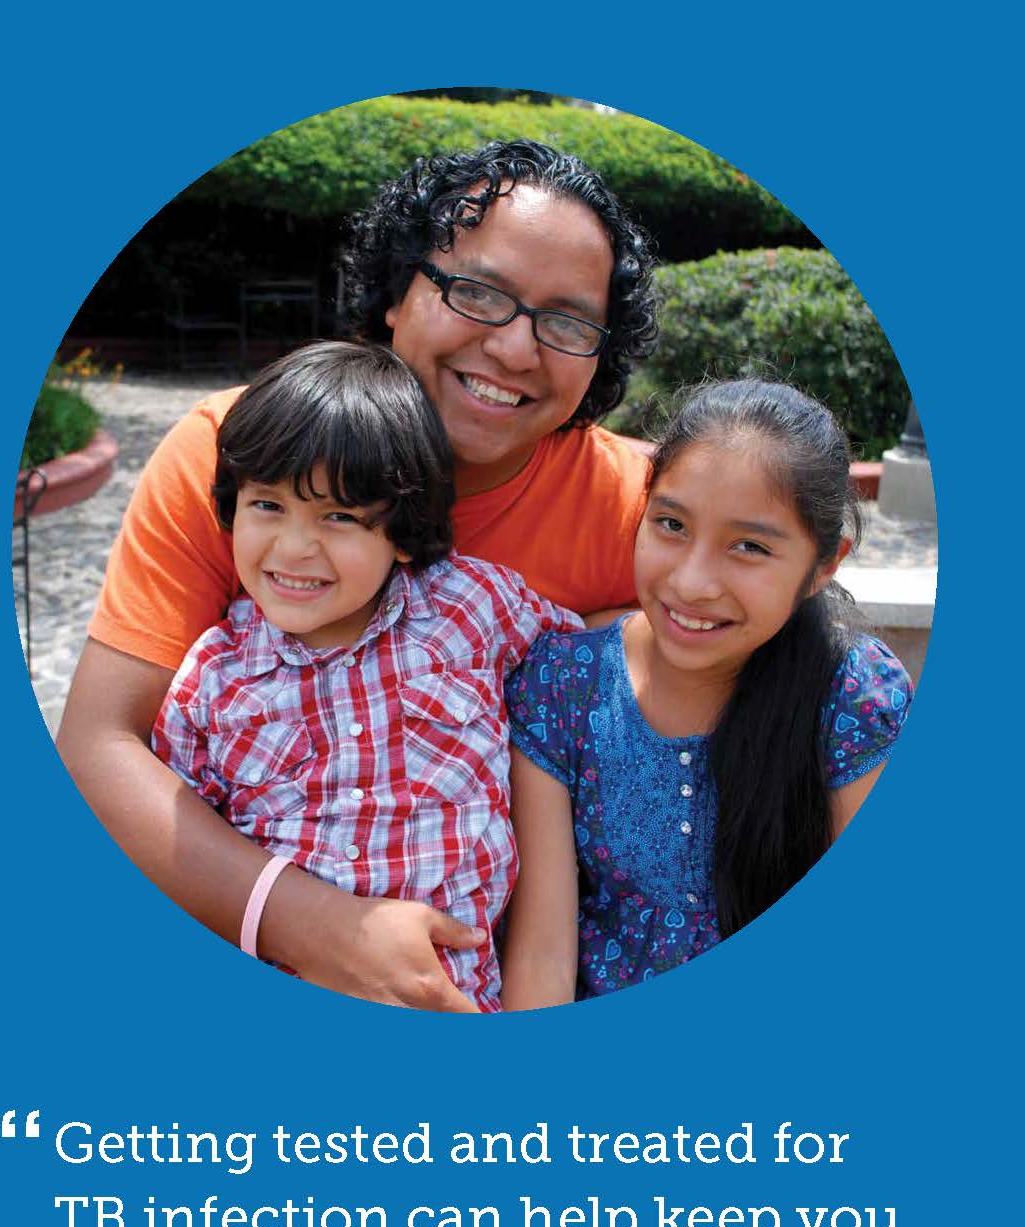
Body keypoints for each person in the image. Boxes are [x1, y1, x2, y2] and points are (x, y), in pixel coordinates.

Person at [57, 138, 658, 1009]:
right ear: (395, 294)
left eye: (567, 321)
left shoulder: (646, 510)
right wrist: (321, 929)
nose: (517, 349)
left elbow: (778, 608)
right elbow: (100, 747)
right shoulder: (244, 456)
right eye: (479, 292)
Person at [151, 341, 579, 1011]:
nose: (294, 547)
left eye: (340, 517)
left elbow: (592, 657)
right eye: (268, 506)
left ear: (404, 535)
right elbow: (174, 867)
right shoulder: (213, 678)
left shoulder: (473, 608)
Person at [500, 379, 913, 1007]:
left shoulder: (850, 695)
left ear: (824, 566)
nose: (692, 583)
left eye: (749, 547)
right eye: (670, 524)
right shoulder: (563, 685)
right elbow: (541, 955)